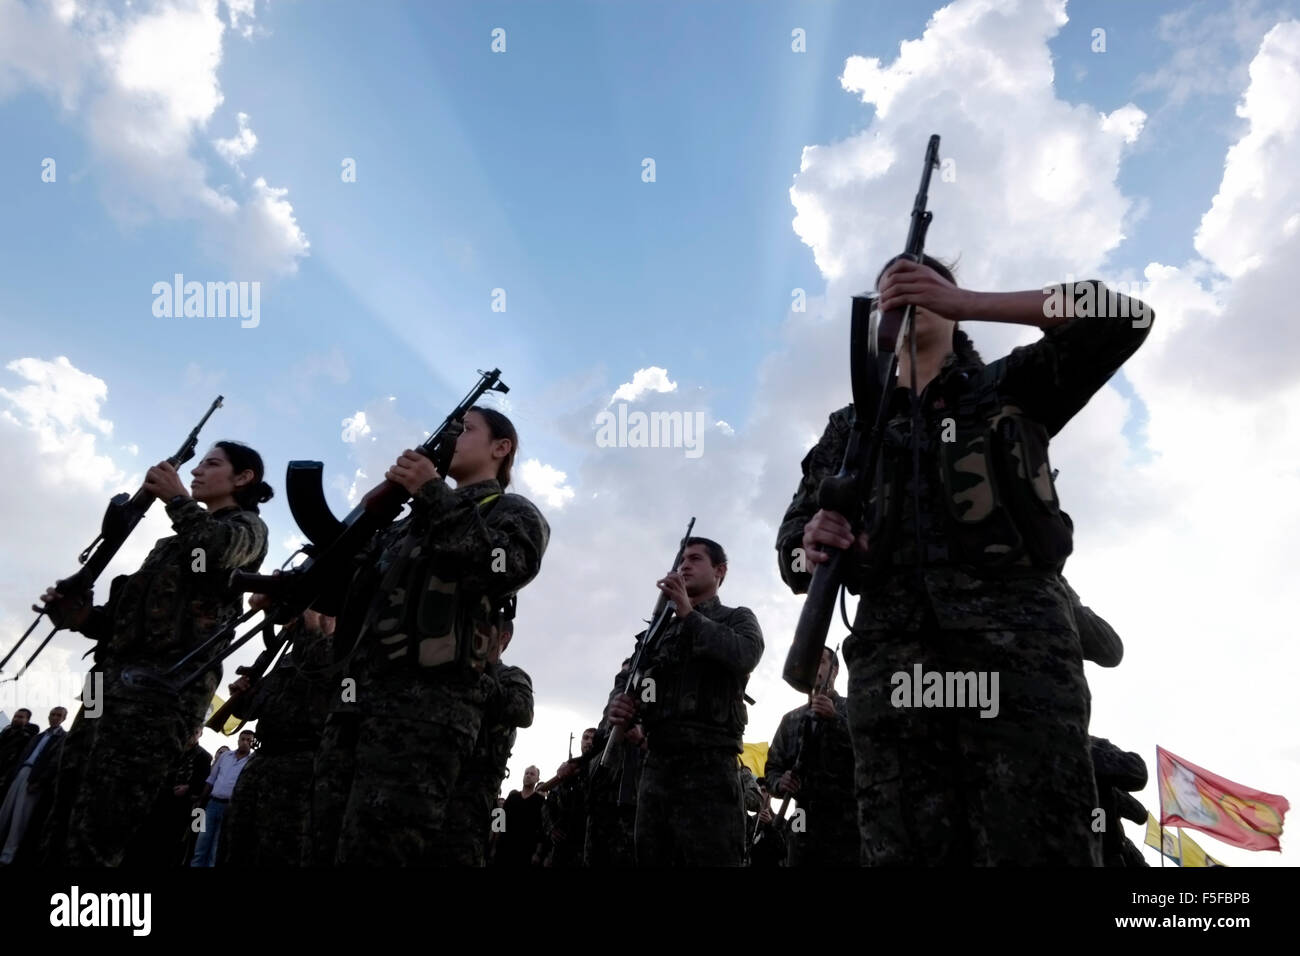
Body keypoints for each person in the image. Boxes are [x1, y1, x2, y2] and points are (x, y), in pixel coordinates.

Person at [777, 256, 1153, 866]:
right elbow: (792, 547)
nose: (902, 292)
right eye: (888, 292)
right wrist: (813, 542)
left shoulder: (1010, 386)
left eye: (922, 283)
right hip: (893, 673)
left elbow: (1123, 315)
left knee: (1038, 842)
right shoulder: (849, 429)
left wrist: (971, 299)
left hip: (1019, 663)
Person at [312, 407, 550, 866]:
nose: (452, 438)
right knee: (323, 847)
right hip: (353, 705)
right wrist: (366, 519)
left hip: (424, 712)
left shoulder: (511, 512)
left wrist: (430, 492)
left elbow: (502, 567)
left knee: (381, 853)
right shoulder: (408, 524)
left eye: (467, 430)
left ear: (501, 448)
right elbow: (347, 592)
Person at [40, 441, 271, 866]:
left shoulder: (246, 530)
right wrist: (82, 616)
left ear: (243, 478)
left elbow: (214, 554)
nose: (198, 472)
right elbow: (125, 621)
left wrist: (177, 499)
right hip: (106, 687)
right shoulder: (170, 545)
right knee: (61, 810)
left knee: (102, 828)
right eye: (199, 464)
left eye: (212, 464)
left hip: (158, 698)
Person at [606, 537, 764, 867]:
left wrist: (688, 614)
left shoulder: (735, 618)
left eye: (695, 559)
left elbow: (745, 654)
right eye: (681, 560)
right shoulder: (658, 633)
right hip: (657, 767)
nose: (684, 565)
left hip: (711, 766)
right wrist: (618, 708)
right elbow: (629, 678)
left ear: (720, 571)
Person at [219, 608, 335, 866]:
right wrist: (241, 696)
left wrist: (315, 629)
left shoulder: (331, 657)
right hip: (261, 761)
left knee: (279, 849)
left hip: (298, 764)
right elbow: (253, 710)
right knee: (236, 843)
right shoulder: (286, 661)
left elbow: (320, 667)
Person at [429, 609, 533, 867]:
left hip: (472, 793)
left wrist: (477, 675)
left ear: (504, 638)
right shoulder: (453, 669)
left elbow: (523, 711)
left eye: (488, 628)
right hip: (434, 780)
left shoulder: (511, 676)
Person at [764, 648, 857, 866]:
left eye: (822, 661)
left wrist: (835, 720)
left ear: (834, 670)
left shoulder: (852, 709)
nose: (815, 666)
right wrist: (781, 782)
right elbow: (772, 770)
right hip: (803, 824)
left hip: (848, 823)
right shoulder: (790, 719)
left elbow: (870, 752)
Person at [584, 660, 645, 868]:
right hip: (602, 800)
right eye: (621, 674)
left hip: (633, 801)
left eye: (628, 672)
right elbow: (600, 741)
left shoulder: (649, 693)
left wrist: (641, 738)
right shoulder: (611, 708)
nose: (623, 677)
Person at [0, 706, 66, 865]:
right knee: (4, 812)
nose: (55, 717)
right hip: (21, 772)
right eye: (52, 714)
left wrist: (40, 781)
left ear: (64, 718)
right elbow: (24, 755)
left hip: (35, 778)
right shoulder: (38, 736)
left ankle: (7, 856)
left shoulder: (63, 738)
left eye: (59, 715)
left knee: (19, 818)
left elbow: (55, 762)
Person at [191, 728, 255, 866]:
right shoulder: (226, 756)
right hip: (212, 804)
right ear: (238, 740)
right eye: (242, 739)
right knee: (201, 843)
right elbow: (211, 779)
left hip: (230, 808)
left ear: (252, 742)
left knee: (216, 848)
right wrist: (201, 799)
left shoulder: (252, 761)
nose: (245, 742)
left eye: (248, 740)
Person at [494, 766, 546, 866]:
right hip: (504, 850)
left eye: (532, 774)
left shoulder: (540, 801)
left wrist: (538, 853)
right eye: (526, 773)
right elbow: (500, 823)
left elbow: (542, 830)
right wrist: (494, 846)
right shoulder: (512, 797)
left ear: (537, 779)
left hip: (525, 854)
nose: (528, 776)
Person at [0, 710, 39, 783]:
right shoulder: (7, 730)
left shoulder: (28, 736)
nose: (16, 719)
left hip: (8, 772)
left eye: (20, 717)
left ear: (27, 720)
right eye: (15, 716)